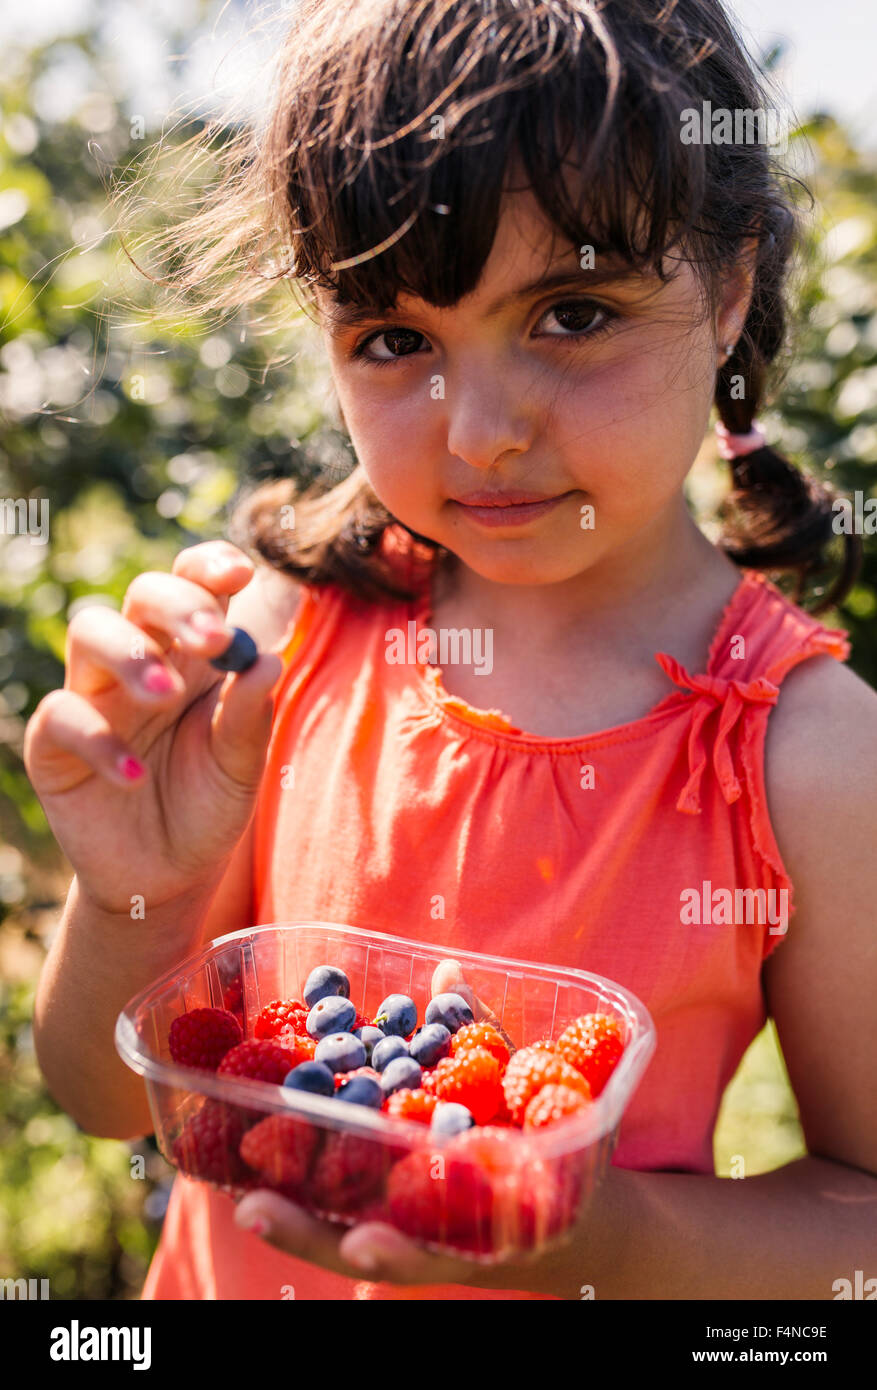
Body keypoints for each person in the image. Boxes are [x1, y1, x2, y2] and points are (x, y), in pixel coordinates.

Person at [25, 0, 877, 1301]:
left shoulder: (804, 752)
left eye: (573, 312)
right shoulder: (278, 647)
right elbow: (102, 1096)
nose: (478, 430)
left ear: (731, 287)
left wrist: (609, 1242)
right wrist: (134, 892)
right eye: (394, 340)